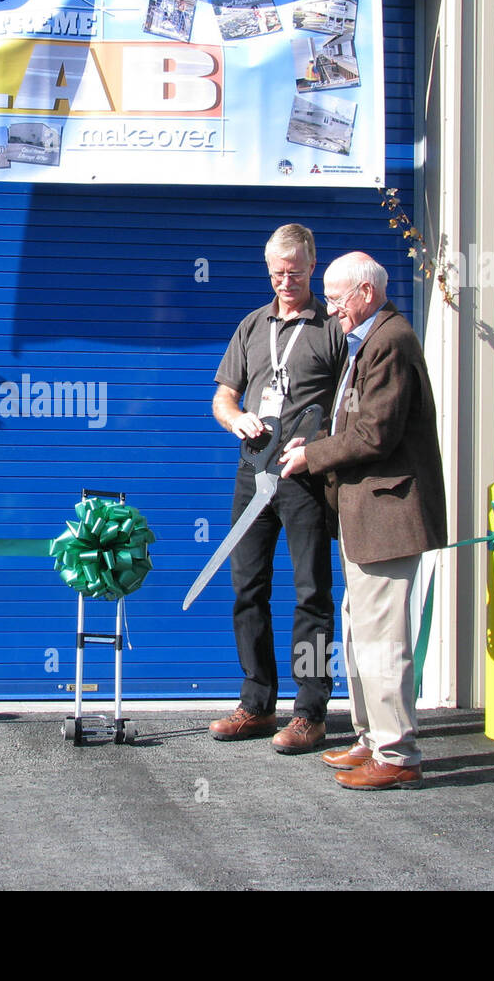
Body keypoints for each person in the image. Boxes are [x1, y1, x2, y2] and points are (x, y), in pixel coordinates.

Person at [279, 252, 447, 789]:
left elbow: (375, 434)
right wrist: (319, 442)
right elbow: (354, 422)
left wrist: (313, 456)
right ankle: (372, 739)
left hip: (387, 515)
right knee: (359, 634)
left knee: (381, 639)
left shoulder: (391, 342)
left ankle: (398, 757)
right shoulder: (368, 341)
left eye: (336, 298)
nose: (331, 311)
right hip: (362, 517)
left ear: (367, 294)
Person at [208, 224, 347, 751]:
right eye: (276, 273)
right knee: (248, 587)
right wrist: (236, 418)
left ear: (313, 267)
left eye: (295, 272)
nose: (285, 281)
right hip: (254, 471)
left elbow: (349, 403)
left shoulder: (332, 327)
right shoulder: (251, 325)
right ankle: (256, 702)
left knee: (312, 592)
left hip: (305, 474)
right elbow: (223, 398)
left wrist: (322, 448)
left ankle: (310, 709)